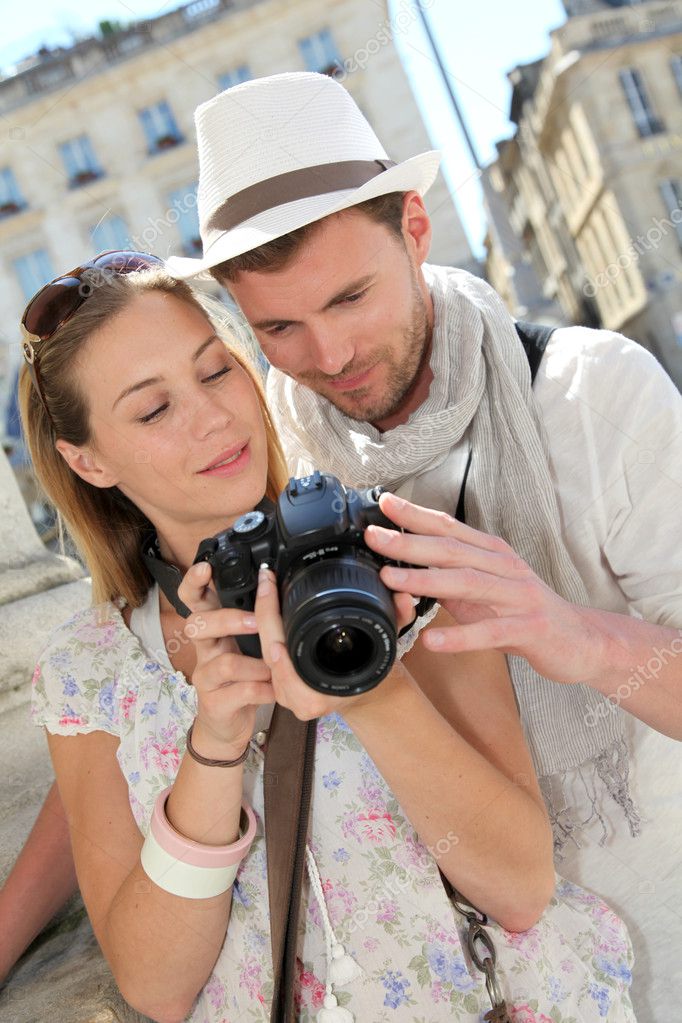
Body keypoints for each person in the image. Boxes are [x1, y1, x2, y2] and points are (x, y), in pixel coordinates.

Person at [165, 72, 682, 1019]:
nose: (327, 355)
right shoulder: (264, 466)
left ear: (415, 227)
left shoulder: (594, 390)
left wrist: (575, 636)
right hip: (457, 982)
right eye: (278, 326)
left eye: (352, 296)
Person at [4, 251, 636, 1022]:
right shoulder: (89, 671)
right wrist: (212, 748)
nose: (211, 417)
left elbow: (519, 883)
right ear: (87, 459)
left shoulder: (397, 548)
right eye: (152, 409)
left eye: (215, 371)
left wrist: (368, 684)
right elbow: (155, 986)